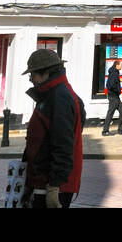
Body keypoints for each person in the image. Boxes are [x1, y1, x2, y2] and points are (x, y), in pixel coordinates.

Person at [21, 48, 85, 208]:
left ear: (46, 73)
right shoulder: (56, 94)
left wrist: (54, 186)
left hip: (51, 184)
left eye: (32, 75)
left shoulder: (58, 97)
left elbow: (63, 144)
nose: (31, 79)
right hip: (45, 180)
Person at [103, 59, 122, 135]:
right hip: (113, 97)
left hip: (115, 97)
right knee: (110, 113)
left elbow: (108, 84)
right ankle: (105, 131)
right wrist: (117, 91)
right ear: (117, 65)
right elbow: (111, 85)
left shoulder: (113, 72)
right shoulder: (114, 74)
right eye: (121, 65)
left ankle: (121, 130)